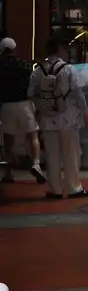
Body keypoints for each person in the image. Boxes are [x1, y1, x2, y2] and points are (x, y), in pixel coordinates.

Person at [29, 37, 88, 199]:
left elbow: (31, 94)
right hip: (68, 119)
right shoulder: (68, 69)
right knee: (71, 154)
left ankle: (55, 190)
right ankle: (74, 188)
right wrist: (85, 112)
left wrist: (42, 108)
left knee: (52, 156)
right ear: (60, 50)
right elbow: (78, 93)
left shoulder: (38, 71)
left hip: (47, 120)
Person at [0, 37, 46, 184]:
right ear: (14, 49)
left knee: (8, 140)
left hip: (7, 105)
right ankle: (36, 164)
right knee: (32, 135)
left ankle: (9, 172)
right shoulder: (24, 66)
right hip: (25, 104)